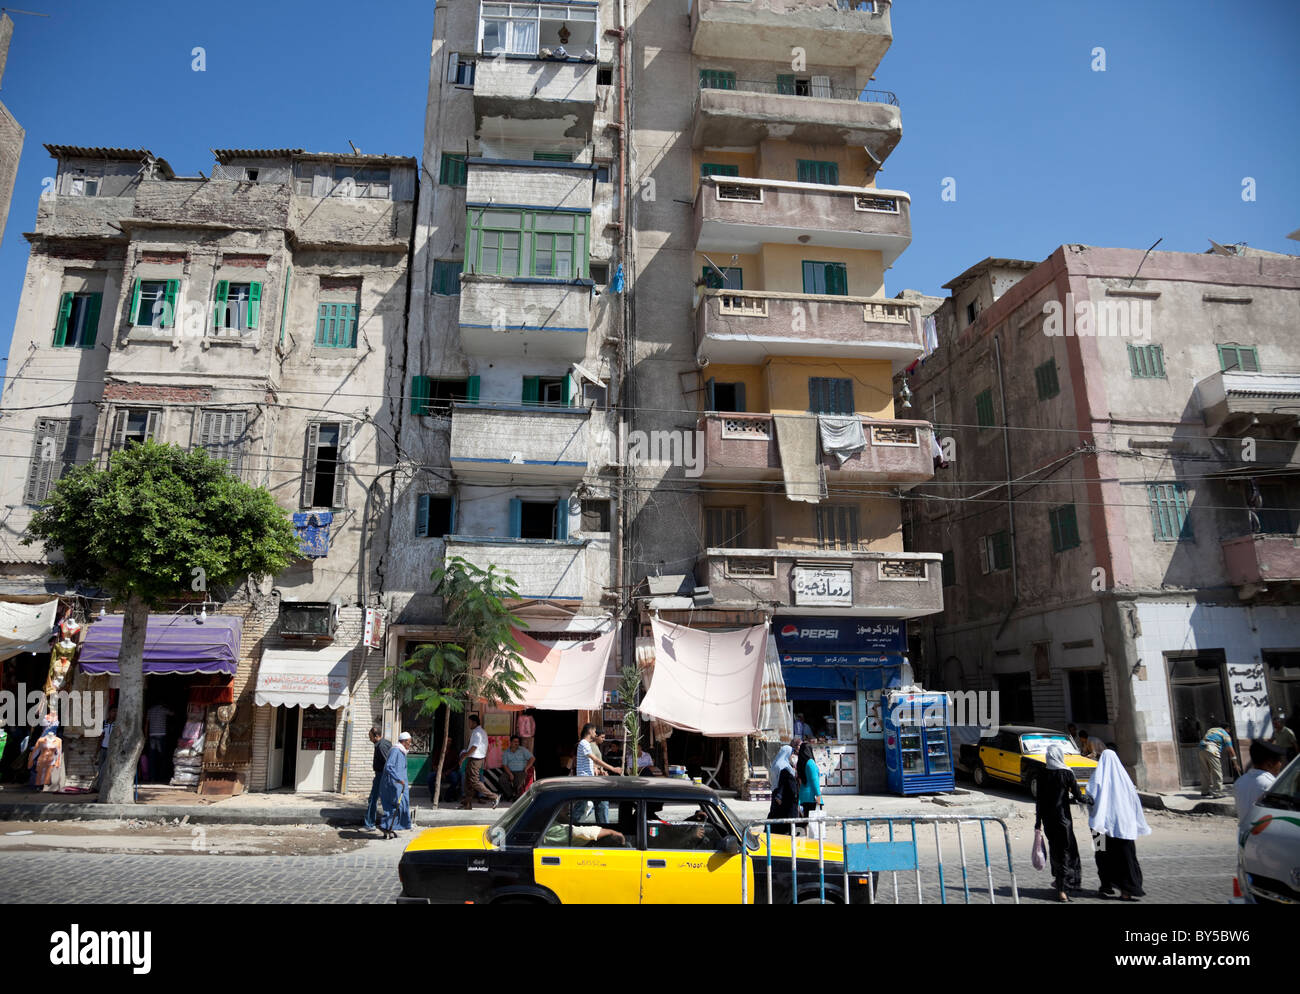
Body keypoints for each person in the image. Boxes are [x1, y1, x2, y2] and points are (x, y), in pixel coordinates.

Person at [1088, 749, 1150, 901]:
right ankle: (1126, 891)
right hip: (1123, 826)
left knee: (1100, 853)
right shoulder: (1125, 780)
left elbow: (1090, 797)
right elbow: (1134, 802)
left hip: (1098, 827)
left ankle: (1105, 885)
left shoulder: (1096, 777)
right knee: (1125, 857)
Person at [1034, 743, 1092, 902]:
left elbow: (1039, 800)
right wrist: (1091, 800)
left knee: (1056, 852)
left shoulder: (1042, 773)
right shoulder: (1067, 773)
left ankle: (1060, 883)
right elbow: (1080, 797)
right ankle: (1063, 888)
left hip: (1048, 821)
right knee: (1067, 853)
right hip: (1063, 820)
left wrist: (1037, 823)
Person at [1234, 739, 1286, 834]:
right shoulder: (1272, 785)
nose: (1281, 765)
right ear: (1269, 764)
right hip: (1266, 838)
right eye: (1279, 761)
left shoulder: (1240, 781)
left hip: (1245, 836)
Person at [459, 713, 499, 810]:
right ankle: (467, 804)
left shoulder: (477, 733)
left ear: (474, 722)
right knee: (468, 781)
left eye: (469, 722)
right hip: (474, 759)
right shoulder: (480, 731)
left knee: (474, 781)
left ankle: (494, 796)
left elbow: (474, 747)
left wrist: (464, 757)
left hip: (475, 759)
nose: (468, 724)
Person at [378, 731, 411, 839]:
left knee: (398, 806)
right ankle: (385, 827)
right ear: (404, 741)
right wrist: (398, 778)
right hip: (392, 784)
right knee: (394, 806)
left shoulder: (401, 751)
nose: (410, 744)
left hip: (398, 785)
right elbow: (389, 767)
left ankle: (390, 828)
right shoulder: (396, 751)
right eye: (409, 742)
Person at [1198, 723, 1239, 798]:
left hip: (1201, 748)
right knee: (1217, 772)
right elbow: (1230, 749)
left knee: (1205, 772)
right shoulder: (1225, 734)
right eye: (1229, 730)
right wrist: (1235, 763)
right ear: (1227, 728)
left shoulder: (1212, 730)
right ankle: (1217, 793)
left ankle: (1204, 791)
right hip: (1212, 749)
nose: (1229, 731)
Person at [363, 726, 392, 831]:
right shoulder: (385, 743)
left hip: (382, 775)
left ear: (376, 736)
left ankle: (369, 824)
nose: (369, 738)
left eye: (370, 736)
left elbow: (388, 763)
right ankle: (388, 825)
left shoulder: (381, 746)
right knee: (384, 800)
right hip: (382, 775)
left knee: (373, 799)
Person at [766, 744, 799, 835]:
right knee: (780, 815)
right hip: (781, 793)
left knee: (774, 813)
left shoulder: (775, 763)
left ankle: (769, 831)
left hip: (775, 790)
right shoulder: (783, 766)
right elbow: (784, 782)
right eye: (791, 753)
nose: (792, 755)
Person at [28, 726, 63, 792]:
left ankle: (46, 787)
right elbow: (36, 751)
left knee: (48, 775)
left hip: (51, 760)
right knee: (39, 774)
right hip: (41, 760)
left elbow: (59, 752)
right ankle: (38, 786)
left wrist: (58, 762)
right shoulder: (41, 740)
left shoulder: (58, 740)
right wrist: (31, 760)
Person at [145, 702, 173, 783]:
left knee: (152, 758)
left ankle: (152, 778)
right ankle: (161, 777)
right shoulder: (163, 709)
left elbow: (146, 723)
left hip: (152, 735)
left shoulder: (150, 710)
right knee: (162, 757)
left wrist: (146, 736)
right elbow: (172, 714)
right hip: (161, 735)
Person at [500, 735, 535, 800]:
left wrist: (527, 768)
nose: (516, 743)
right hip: (510, 771)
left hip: (521, 771)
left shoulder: (523, 750)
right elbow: (504, 765)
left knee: (518, 782)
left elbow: (532, 758)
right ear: (510, 742)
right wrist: (510, 774)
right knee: (502, 779)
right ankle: (511, 795)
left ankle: (517, 797)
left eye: (518, 742)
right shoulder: (506, 752)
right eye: (515, 742)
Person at [796, 740, 822, 822]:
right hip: (812, 796)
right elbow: (814, 781)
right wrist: (818, 796)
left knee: (806, 820)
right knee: (814, 822)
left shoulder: (800, 763)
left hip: (803, 795)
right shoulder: (810, 763)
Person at [96, 707, 116, 792]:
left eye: (116, 712)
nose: (115, 713)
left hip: (112, 750)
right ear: (109, 712)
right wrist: (97, 751)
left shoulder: (118, 723)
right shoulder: (104, 723)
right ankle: (99, 787)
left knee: (107, 768)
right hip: (103, 748)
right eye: (113, 711)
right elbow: (101, 737)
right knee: (100, 769)